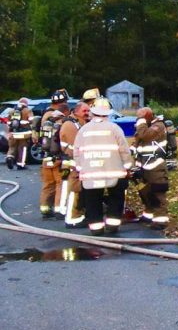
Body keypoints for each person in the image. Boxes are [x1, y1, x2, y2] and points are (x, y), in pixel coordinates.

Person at [73, 98, 133, 236]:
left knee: (92, 201)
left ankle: (96, 228)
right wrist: (127, 166)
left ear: (92, 112)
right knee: (116, 199)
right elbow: (124, 150)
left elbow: (77, 151)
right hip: (114, 173)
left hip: (90, 173)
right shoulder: (114, 128)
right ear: (108, 113)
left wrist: (80, 168)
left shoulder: (83, 130)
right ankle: (112, 226)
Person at [131, 107, 171, 229]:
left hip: (156, 166)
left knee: (157, 193)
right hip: (143, 166)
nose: (139, 120)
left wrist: (141, 122)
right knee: (145, 192)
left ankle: (160, 220)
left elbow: (145, 135)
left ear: (148, 116)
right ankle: (148, 215)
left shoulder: (158, 126)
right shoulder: (145, 126)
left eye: (141, 117)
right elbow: (138, 140)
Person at [37, 90, 70, 218]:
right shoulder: (62, 122)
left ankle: (44, 208)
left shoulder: (47, 119)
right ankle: (58, 209)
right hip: (57, 158)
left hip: (46, 158)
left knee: (47, 184)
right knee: (60, 183)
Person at [60, 100, 90, 228]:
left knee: (76, 191)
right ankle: (72, 218)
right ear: (76, 111)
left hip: (74, 163)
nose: (87, 113)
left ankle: (76, 215)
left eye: (88, 111)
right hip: (72, 164)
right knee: (74, 190)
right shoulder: (70, 125)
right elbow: (76, 147)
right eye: (84, 111)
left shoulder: (78, 123)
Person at [6, 97, 34, 170]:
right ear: (26, 103)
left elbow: (8, 122)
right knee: (22, 148)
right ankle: (21, 164)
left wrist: (9, 131)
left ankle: (9, 157)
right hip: (24, 133)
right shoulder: (28, 110)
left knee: (12, 147)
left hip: (13, 133)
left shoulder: (12, 111)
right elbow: (31, 120)